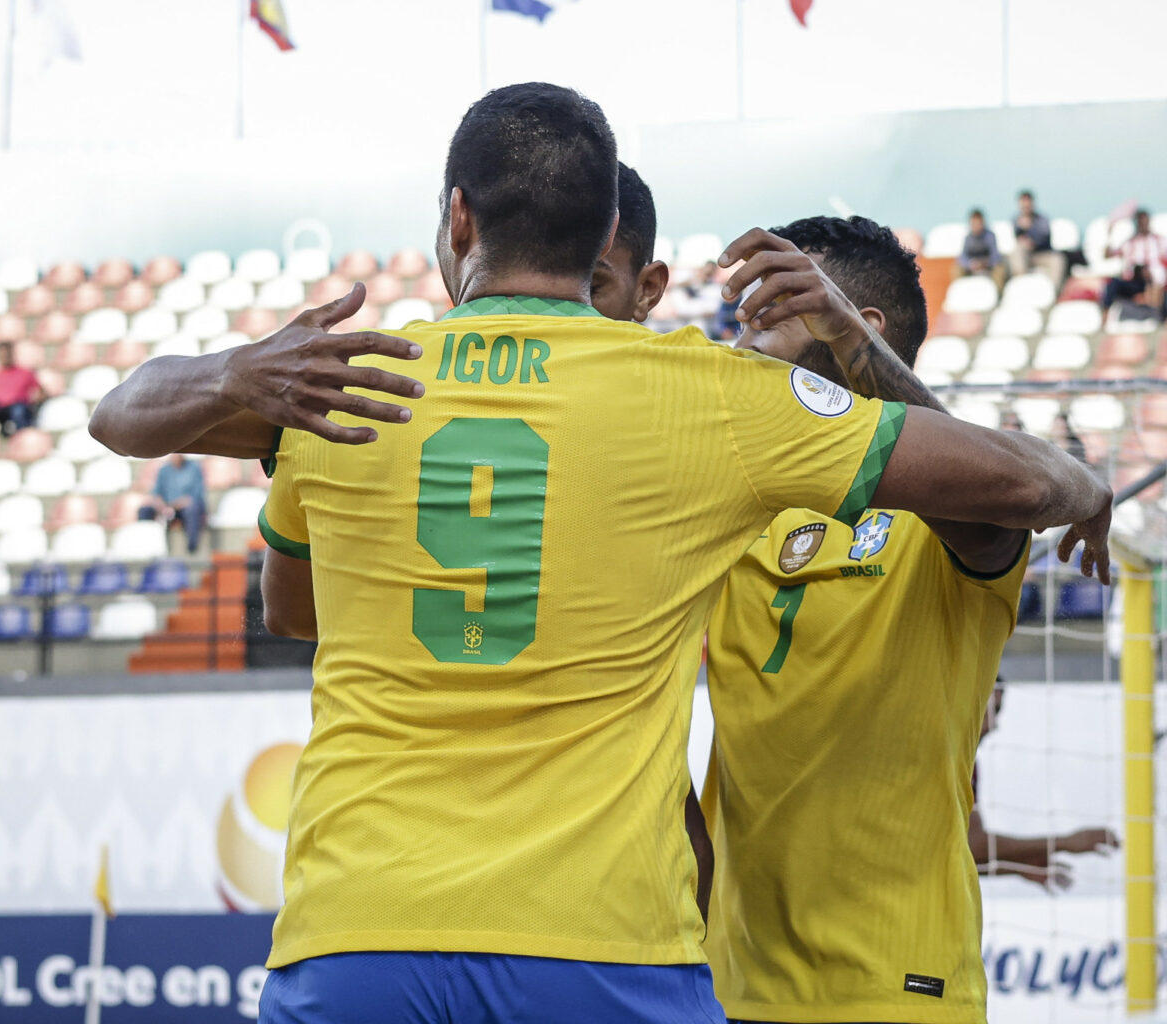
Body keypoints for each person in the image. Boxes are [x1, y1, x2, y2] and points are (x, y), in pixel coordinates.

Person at [90, 82, 1111, 1023]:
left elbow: (130, 427)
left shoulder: (342, 378)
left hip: (357, 929)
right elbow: (1022, 483)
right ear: (607, 246)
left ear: (457, 218)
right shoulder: (703, 404)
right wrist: (1094, 487)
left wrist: (239, 372)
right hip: (606, 944)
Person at [698, 215, 1036, 1024]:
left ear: (859, 328)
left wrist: (844, 338)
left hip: (895, 983)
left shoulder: (949, 507)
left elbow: (1008, 504)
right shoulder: (739, 501)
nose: (746, 331)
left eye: (776, 307)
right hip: (728, 982)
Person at [970, 681, 1119, 889]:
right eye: (987, 710)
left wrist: (1019, 867)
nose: (993, 725)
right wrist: (1065, 843)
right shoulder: (943, 759)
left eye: (998, 711)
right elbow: (972, 846)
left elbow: (956, 855)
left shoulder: (970, 764)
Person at [1101, 208, 1166, 317]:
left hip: (1155, 282)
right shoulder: (1129, 243)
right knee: (1112, 283)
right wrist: (1110, 234)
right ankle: (1104, 317)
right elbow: (1108, 255)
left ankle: (1160, 317)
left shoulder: (1160, 240)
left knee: (1154, 276)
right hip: (1134, 281)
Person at [139, 453, 208, 554]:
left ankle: (192, 547)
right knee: (144, 510)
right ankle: (144, 545)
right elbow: (156, 493)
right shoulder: (164, 470)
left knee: (193, 509)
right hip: (167, 507)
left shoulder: (194, 468)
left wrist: (173, 505)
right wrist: (163, 507)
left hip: (184, 508)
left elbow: (195, 496)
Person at [1011, 189, 1063, 283]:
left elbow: (1045, 238)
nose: (1026, 206)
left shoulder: (1042, 220)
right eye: (1023, 203)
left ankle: (1054, 291)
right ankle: (1020, 283)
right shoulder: (1016, 220)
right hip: (1026, 256)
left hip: (1041, 255)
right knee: (1017, 250)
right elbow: (1016, 237)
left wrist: (1032, 231)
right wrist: (1021, 229)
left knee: (1058, 259)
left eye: (1028, 202)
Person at [958, 207, 1004, 285]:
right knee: (957, 269)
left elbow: (996, 256)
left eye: (978, 223)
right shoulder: (968, 239)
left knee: (999, 270)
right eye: (973, 223)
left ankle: (998, 294)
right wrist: (971, 264)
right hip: (972, 268)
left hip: (988, 268)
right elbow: (963, 257)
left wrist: (984, 263)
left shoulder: (990, 236)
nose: (976, 226)